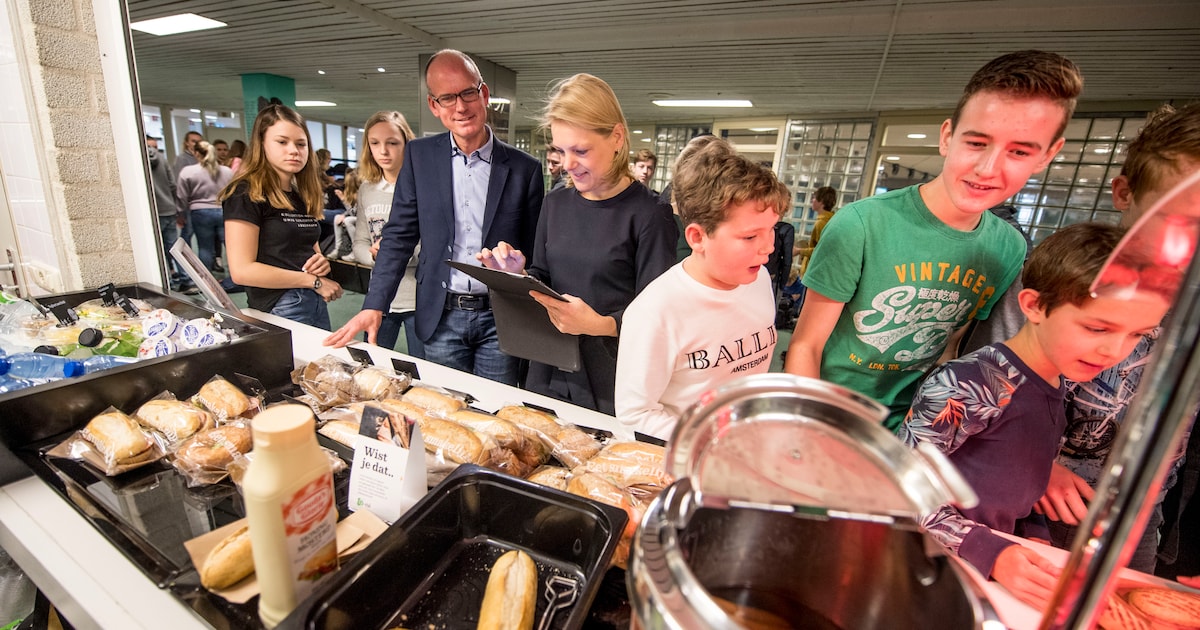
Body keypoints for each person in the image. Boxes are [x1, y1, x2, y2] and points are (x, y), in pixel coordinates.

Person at [783, 50, 1083, 432]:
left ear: (1047, 156)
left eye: (1019, 151)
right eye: (976, 143)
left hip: (918, 428)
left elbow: (951, 349)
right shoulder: (861, 224)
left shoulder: (1009, 247)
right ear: (947, 137)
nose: (988, 169)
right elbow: (806, 346)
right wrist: (810, 431)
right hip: (829, 418)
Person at [899, 222, 1170, 609]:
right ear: (1034, 305)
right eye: (1097, 327)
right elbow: (895, 489)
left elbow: (1019, 487)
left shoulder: (1055, 381)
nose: (1115, 351)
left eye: (1137, 335)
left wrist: (1032, 535)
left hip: (986, 574)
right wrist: (992, 551)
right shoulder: (974, 383)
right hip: (926, 572)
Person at [1036, 102, 1200, 574]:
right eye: (1176, 219)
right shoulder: (1065, 273)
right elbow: (1000, 377)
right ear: (1125, 193)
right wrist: (1038, 465)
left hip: (1140, 509)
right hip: (1048, 497)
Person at [324, 50, 543, 386]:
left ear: (483, 94)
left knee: (497, 414)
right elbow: (398, 236)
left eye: (468, 92)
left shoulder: (524, 169)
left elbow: (534, 252)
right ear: (434, 106)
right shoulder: (420, 157)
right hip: (441, 313)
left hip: (500, 317)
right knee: (446, 406)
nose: (460, 106)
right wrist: (375, 304)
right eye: (447, 98)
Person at [477, 73, 677, 414]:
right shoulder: (556, 202)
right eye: (559, 150)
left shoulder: (649, 214)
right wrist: (518, 274)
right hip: (547, 367)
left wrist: (598, 324)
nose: (567, 164)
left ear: (616, 137)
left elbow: (659, 318)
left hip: (610, 378)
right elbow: (544, 275)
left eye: (580, 151)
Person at [615, 139, 788, 439]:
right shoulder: (655, 312)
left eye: (771, 229)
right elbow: (635, 414)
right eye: (750, 237)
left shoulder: (758, 279)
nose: (769, 248)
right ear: (697, 237)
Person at [221, 104, 343, 328]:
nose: (294, 150)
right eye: (282, 142)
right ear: (262, 144)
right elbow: (241, 271)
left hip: (311, 298)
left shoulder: (297, 193)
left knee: (319, 364)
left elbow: (303, 248)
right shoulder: (245, 193)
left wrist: (321, 264)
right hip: (280, 304)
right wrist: (313, 281)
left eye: (301, 143)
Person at [348, 110, 423, 356]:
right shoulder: (367, 189)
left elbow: (435, 243)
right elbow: (359, 241)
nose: (383, 151)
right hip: (380, 296)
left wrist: (396, 254)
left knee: (426, 368)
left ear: (406, 144)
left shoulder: (423, 189)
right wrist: (374, 256)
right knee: (370, 362)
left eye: (392, 143)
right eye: (375, 143)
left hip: (418, 296)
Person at [145, 134, 196, 294]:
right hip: (168, 208)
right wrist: (177, 207)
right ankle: (186, 280)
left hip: (154, 211)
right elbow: (173, 184)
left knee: (158, 250)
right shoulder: (162, 158)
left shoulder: (137, 158)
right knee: (174, 247)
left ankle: (166, 283)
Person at [176, 141, 234, 271]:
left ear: (196, 153)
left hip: (200, 213)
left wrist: (181, 213)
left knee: (205, 248)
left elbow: (181, 196)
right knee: (231, 247)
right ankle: (238, 279)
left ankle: (207, 281)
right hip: (223, 211)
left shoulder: (188, 172)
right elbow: (232, 193)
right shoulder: (227, 171)